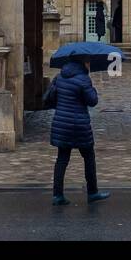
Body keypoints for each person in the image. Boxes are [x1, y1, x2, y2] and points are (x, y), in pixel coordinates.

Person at [50, 58, 111, 205]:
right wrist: (93, 89)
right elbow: (93, 101)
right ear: (83, 63)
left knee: (62, 159)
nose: (89, 64)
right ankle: (92, 192)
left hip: (62, 123)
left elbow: (53, 96)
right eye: (88, 62)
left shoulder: (59, 77)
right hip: (79, 124)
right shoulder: (83, 79)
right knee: (89, 157)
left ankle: (57, 195)